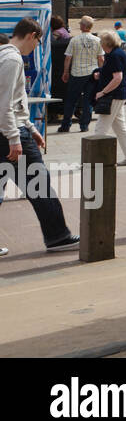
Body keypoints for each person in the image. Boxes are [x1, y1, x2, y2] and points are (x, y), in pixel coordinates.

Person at [0, 18, 80, 254]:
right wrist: (16, 137)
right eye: (38, 42)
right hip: (10, 134)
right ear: (32, 35)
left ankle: (58, 235)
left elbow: (14, 102)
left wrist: (32, 129)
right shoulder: (12, 59)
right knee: (39, 184)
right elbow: (5, 105)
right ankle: (57, 236)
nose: (36, 47)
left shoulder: (4, 56)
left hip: (10, 130)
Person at [92, 30, 126, 166]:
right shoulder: (116, 53)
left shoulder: (114, 55)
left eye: (101, 41)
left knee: (100, 128)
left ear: (106, 43)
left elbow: (118, 78)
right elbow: (116, 74)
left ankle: (93, 160)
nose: (100, 43)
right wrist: (100, 73)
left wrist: (102, 92)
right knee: (120, 127)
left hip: (113, 96)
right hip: (118, 95)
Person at [59, 15, 102, 133]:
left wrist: (65, 72)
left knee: (71, 100)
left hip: (77, 73)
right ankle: (84, 125)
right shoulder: (97, 40)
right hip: (92, 74)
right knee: (88, 100)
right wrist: (100, 72)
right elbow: (100, 59)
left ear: (83, 26)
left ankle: (66, 125)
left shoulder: (74, 40)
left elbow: (68, 58)